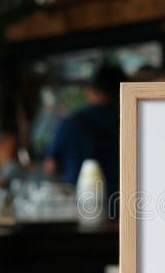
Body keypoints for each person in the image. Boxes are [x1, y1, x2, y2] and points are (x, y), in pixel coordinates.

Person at [44, 62, 124, 199]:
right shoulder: (128, 121)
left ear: (91, 90)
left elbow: (51, 166)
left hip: (81, 204)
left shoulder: (72, 122)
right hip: (123, 203)